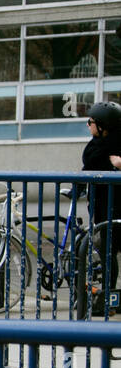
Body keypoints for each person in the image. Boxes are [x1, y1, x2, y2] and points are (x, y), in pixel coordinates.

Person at [81, 101, 121, 315]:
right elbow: (88, 167)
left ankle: (110, 300)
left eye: (91, 122)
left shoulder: (115, 147)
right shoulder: (97, 147)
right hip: (103, 205)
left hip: (115, 207)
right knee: (108, 252)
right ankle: (110, 298)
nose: (88, 125)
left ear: (103, 126)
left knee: (109, 252)